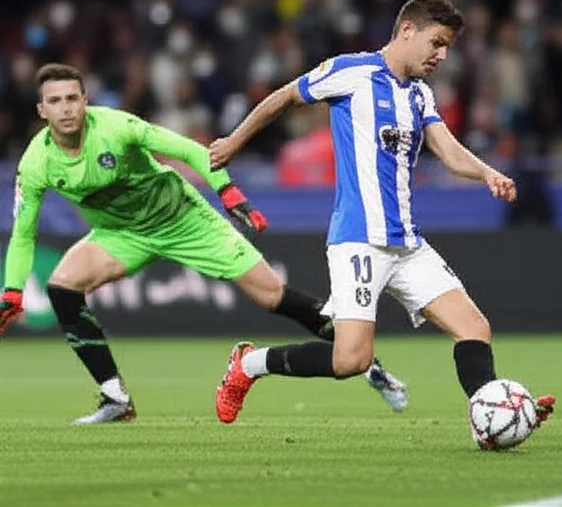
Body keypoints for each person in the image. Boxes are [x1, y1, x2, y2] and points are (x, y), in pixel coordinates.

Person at [207, 0, 556, 430]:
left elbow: (447, 150)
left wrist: (488, 173)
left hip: (408, 244)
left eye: (448, 46)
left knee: (474, 327)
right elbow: (284, 97)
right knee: (351, 359)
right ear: (407, 30)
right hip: (359, 240)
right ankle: (248, 364)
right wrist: (235, 141)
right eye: (437, 42)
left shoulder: (420, 96)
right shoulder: (350, 71)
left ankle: (495, 415)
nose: (443, 55)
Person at [0, 64, 408, 424]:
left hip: (184, 220)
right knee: (61, 286)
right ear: (42, 111)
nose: (66, 107)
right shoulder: (36, 164)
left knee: (272, 296)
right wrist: (14, 291)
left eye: (73, 98)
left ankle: (368, 365)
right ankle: (115, 397)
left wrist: (228, 193)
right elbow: (23, 232)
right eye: (55, 101)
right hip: (121, 234)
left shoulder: (116, 128)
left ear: (85, 101)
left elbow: (190, 150)